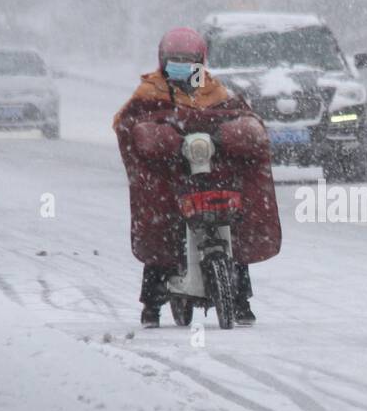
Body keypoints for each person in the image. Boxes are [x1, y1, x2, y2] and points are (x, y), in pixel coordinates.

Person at [112, 27, 280, 328]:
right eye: (175, 61)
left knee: (236, 225)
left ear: (201, 61)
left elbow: (245, 120)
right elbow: (128, 126)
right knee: (159, 228)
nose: (183, 68)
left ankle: (241, 300)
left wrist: (227, 136)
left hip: (213, 175)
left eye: (189, 62)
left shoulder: (214, 90)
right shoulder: (150, 91)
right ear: (163, 61)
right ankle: (152, 304)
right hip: (170, 179)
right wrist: (162, 139)